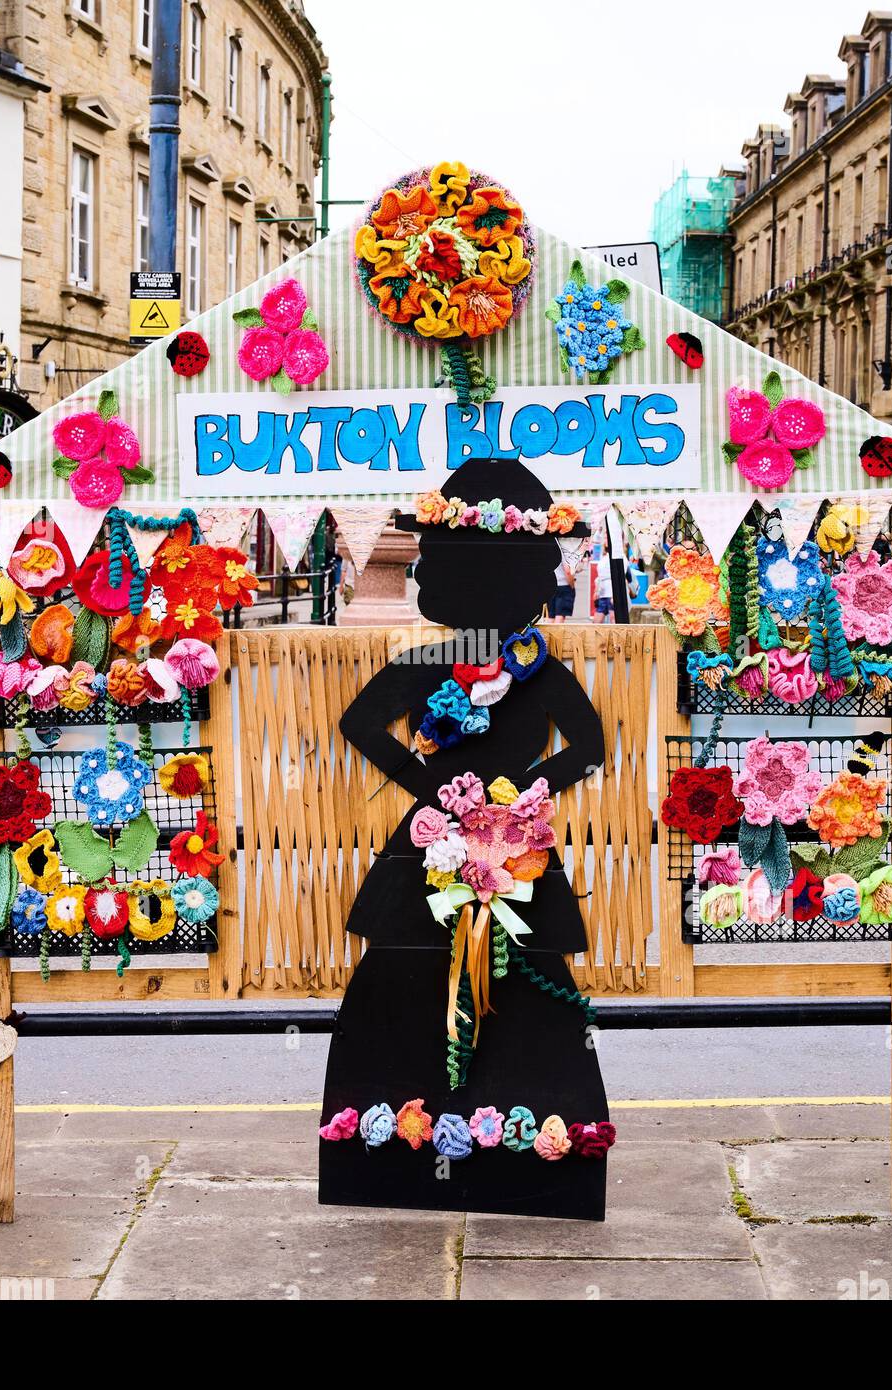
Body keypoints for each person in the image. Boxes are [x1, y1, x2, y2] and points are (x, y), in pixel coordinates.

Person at [320, 458, 610, 1221]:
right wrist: (437, 790)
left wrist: (521, 799)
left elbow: (587, 747)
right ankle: (398, 1130)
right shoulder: (434, 662)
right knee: (407, 975)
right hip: (441, 840)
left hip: (510, 845)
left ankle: (516, 1130)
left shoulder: (533, 667)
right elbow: (357, 724)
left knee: (515, 973)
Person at [549, 555, 576, 622]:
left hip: (552, 585)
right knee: (560, 613)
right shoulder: (564, 554)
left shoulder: (551, 552)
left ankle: (549, 632)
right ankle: (557, 632)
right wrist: (572, 585)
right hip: (563, 585)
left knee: (551, 615)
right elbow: (568, 571)